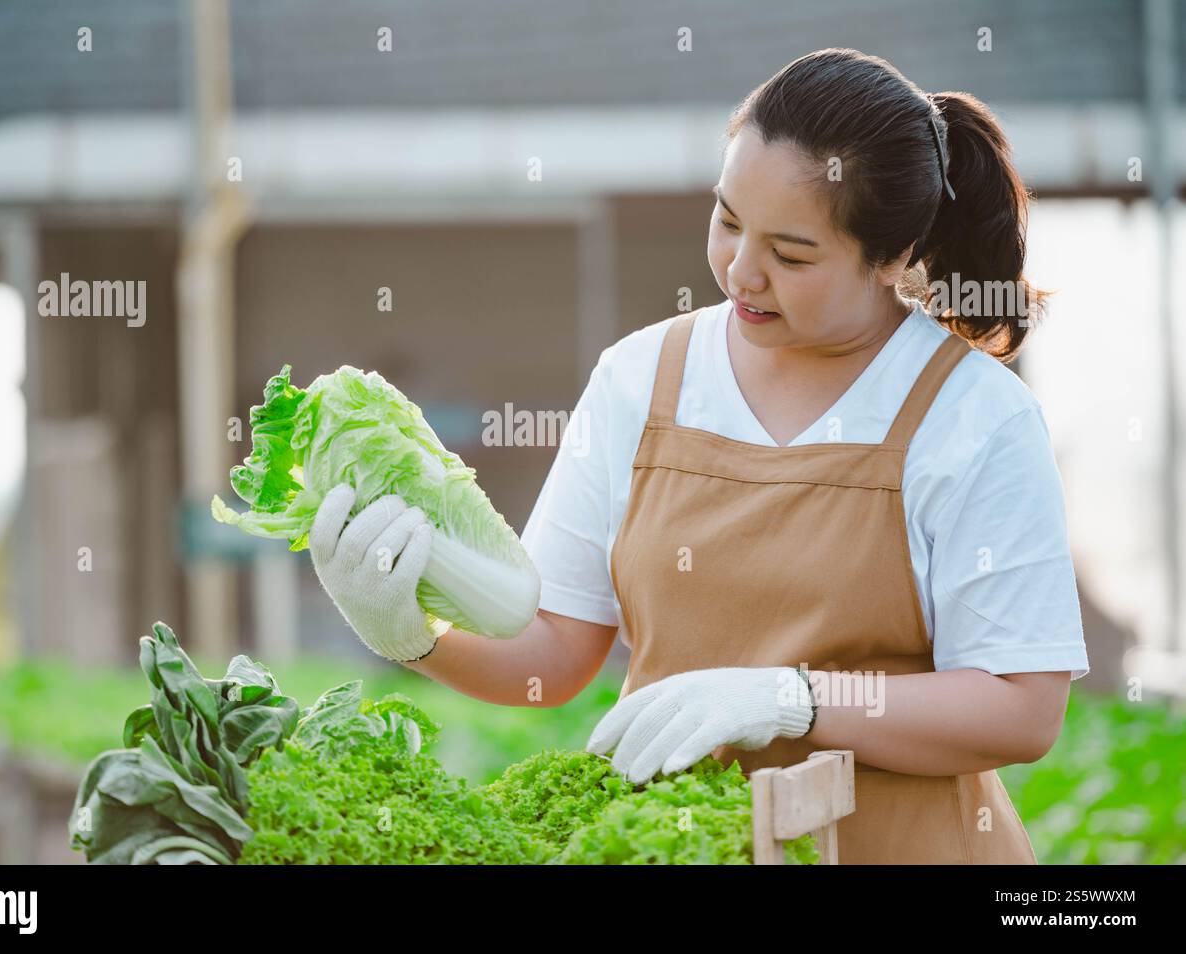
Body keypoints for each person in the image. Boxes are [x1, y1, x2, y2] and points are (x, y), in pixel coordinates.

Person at [306, 48, 1090, 864]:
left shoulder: (975, 418)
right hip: (681, 847)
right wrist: (411, 635)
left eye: (791, 255)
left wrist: (796, 701)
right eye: (726, 220)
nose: (741, 273)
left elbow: (1019, 710)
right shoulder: (639, 379)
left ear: (892, 258)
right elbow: (551, 655)